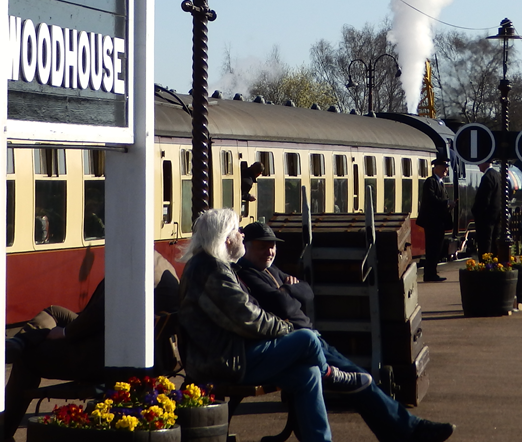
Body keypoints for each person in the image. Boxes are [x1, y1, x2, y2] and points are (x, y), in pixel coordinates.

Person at [235, 222, 455, 442]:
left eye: (272, 246)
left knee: (358, 380)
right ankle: (409, 429)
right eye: (263, 246)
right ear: (246, 247)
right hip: (295, 344)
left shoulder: (269, 269)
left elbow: (308, 292)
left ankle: (403, 429)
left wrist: (289, 289)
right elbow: (282, 305)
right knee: (359, 380)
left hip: (306, 341)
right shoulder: (248, 273)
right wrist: (287, 291)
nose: (270, 251)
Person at [177, 209, 369, 442]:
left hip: (228, 353)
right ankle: (331, 374)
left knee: (306, 375)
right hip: (225, 361)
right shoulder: (213, 270)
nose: (241, 236)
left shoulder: (210, 265)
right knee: (306, 339)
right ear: (226, 238)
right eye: (238, 231)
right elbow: (248, 318)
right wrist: (287, 328)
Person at [1, 251, 181, 439]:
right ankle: (19, 342)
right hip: (123, 342)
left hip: (103, 354)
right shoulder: (160, 265)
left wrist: (65, 333)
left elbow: (101, 313)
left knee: (26, 360)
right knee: (55, 312)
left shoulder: (133, 267)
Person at [417, 159, 452, 282]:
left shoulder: (441, 183)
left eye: (446, 168)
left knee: (437, 249)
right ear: (435, 168)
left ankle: (433, 272)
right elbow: (431, 199)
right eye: (443, 167)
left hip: (439, 222)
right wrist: (446, 203)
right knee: (432, 248)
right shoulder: (430, 182)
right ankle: (429, 274)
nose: (445, 170)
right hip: (432, 222)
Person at [470, 162, 501, 258]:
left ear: (486, 163)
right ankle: (494, 267)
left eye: (480, 163)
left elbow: (483, 200)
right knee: (495, 246)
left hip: (486, 220)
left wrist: (476, 212)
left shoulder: (487, 177)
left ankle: (486, 268)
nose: (478, 165)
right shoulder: (498, 175)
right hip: (497, 218)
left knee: (485, 246)